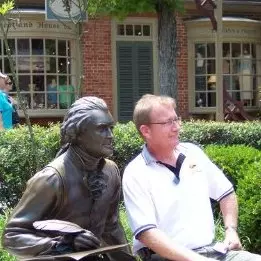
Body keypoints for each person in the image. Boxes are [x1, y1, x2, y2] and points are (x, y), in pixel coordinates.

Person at [122, 94, 261, 261]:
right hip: (166, 258)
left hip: (213, 252)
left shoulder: (193, 153)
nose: (176, 127)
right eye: (167, 122)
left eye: (176, 119)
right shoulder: (136, 172)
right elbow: (147, 234)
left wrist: (231, 230)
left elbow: (226, 193)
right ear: (146, 131)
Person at [2, 96, 134, 261]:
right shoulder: (52, 179)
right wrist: (61, 244)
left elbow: (111, 228)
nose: (110, 135)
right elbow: (11, 236)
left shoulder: (111, 171)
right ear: (76, 133)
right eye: (102, 129)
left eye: (111, 128)